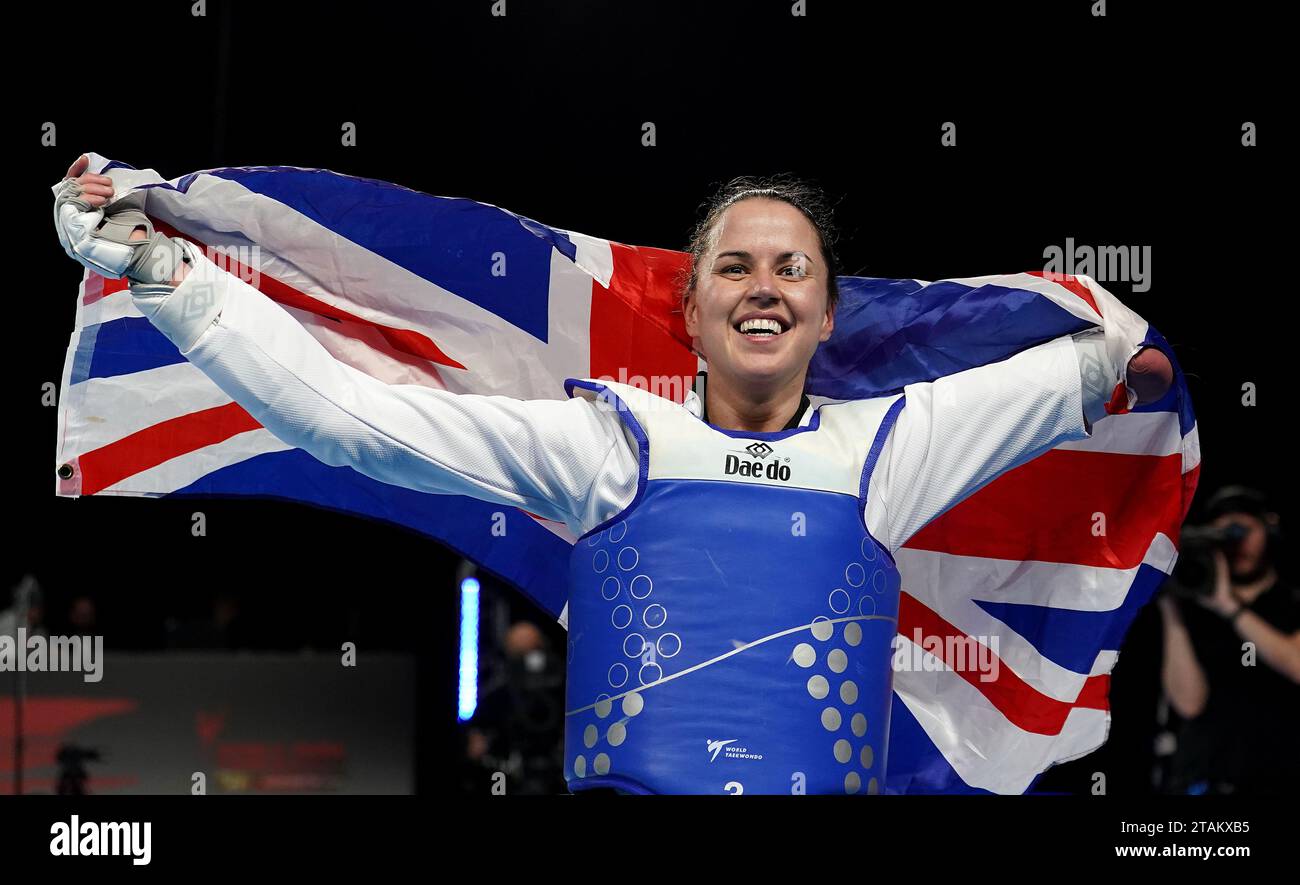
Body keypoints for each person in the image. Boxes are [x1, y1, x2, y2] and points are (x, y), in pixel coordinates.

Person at [52, 156, 1174, 794]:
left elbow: (1079, 373)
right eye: (732, 266)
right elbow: (350, 420)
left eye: (792, 268)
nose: (763, 285)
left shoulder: (890, 450)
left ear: (828, 313)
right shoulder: (608, 447)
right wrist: (164, 269)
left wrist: (1122, 352)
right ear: (688, 313)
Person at [1158, 486, 1300, 794]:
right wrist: (1171, 607)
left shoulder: (1291, 601)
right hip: (1205, 778)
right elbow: (1188, 704)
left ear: (1269, 532)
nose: (1237, 544)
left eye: (1243, 530)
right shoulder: (1197, 608)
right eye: (1224, 535)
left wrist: (1230, 607)